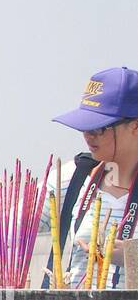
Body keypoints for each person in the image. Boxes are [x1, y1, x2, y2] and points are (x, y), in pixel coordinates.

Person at [41, 66, 138, 288]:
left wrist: (132, 258)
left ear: (135, 126)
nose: (87, 136)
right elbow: (3, 234)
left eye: (99, 128)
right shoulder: (72, 176)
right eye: (84, 127)